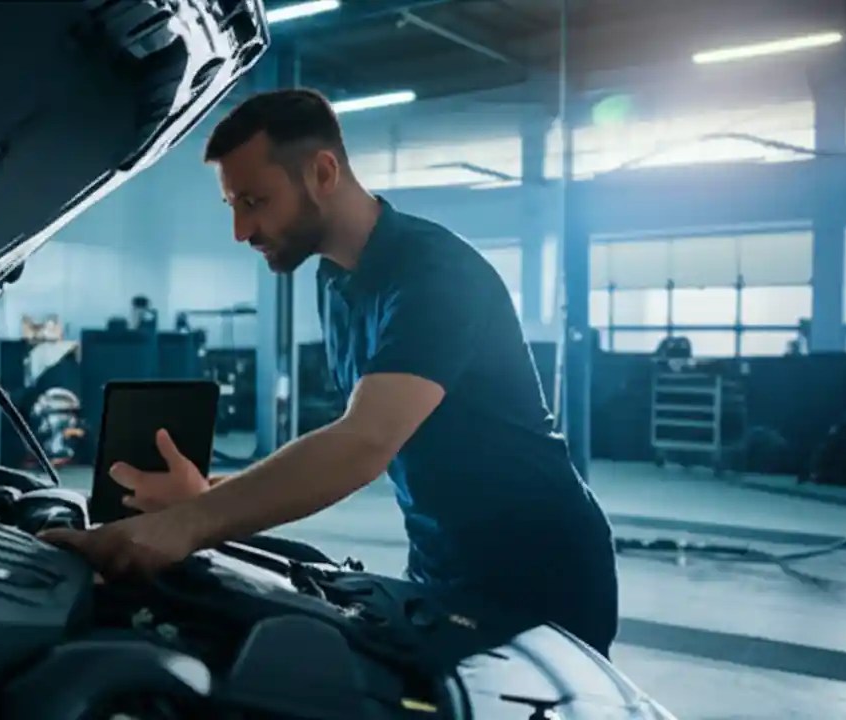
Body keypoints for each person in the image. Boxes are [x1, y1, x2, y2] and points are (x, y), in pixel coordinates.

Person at [39, 88, 619, 657]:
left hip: (543, 568)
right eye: (234, 205)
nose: (241, 231)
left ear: (321, 172)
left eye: (256, 201)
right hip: (443, 562)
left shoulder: (434, 272)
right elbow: (355, 436)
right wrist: (209, 494)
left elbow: (363, 442)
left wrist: (188, 525)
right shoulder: (334, 280)